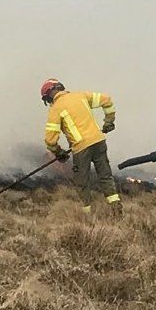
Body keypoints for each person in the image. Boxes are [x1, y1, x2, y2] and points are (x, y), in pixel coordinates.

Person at [41, 78, 121, 215]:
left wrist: (59, 152)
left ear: (50, 93)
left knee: (82, 182)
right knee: (106, 176)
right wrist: (109, 122)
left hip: (81, 148)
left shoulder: (56, 109)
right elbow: (107, 100)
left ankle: (87, 216)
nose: (49, 102)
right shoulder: (81, 96)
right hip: (99, 141)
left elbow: (50, 140)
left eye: (48, 99)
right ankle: (117, 210)